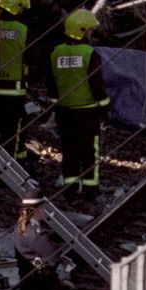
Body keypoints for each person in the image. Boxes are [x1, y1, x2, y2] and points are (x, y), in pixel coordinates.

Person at [50, 10, 108, 196]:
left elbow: (51, 84)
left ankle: (70, 189)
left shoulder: (56, 53)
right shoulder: (89, 54)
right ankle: (91, 190)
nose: (91, 34)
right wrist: (105, 108)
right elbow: (97, 86)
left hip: (64, 111)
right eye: (89, 31)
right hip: (87, 112)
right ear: (82, 31)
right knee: (90, 152)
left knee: (69, 150)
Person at [0, 0, 31, 161]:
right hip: (14, 89)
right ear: (18, 8)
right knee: (13, 129)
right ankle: (13, 164)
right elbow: (30, 58)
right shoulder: (23, 31)